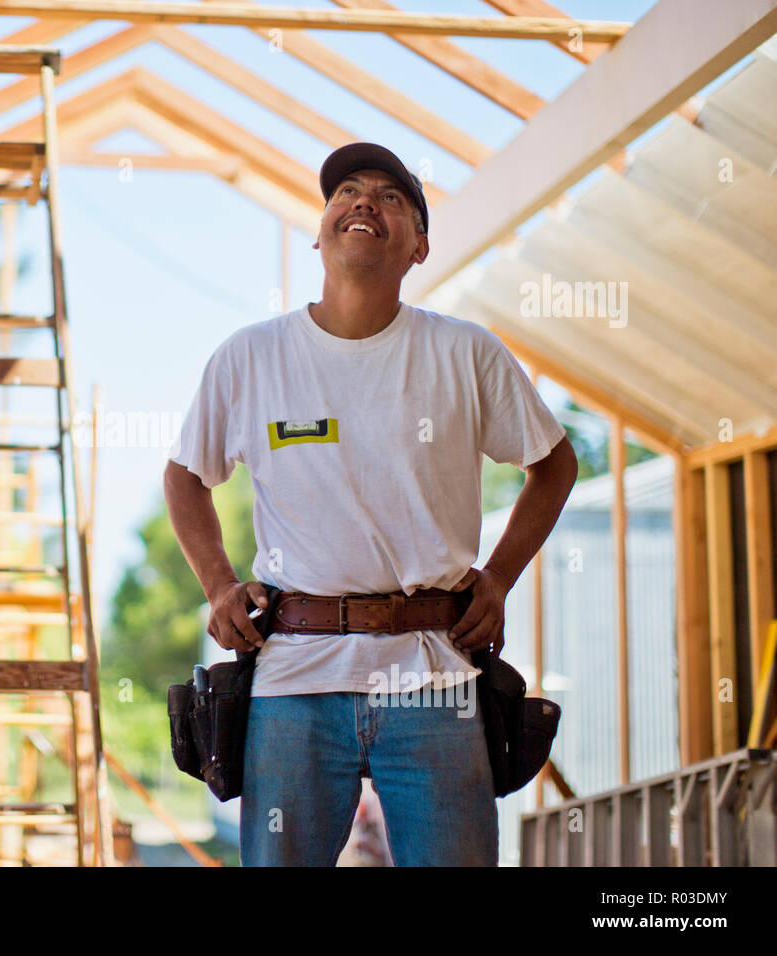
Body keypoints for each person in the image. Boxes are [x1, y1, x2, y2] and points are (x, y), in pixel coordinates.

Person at [162, 142, 578, 867]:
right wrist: (218, 585)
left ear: (419, 246)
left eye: (391, 198)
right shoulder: (250, 356)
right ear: (320, 231)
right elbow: (184, 476)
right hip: (294, 677)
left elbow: (555, 463)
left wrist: (501, 576)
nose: (364, 202)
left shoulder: (466, 354)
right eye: (347, 191)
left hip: (435, 677)